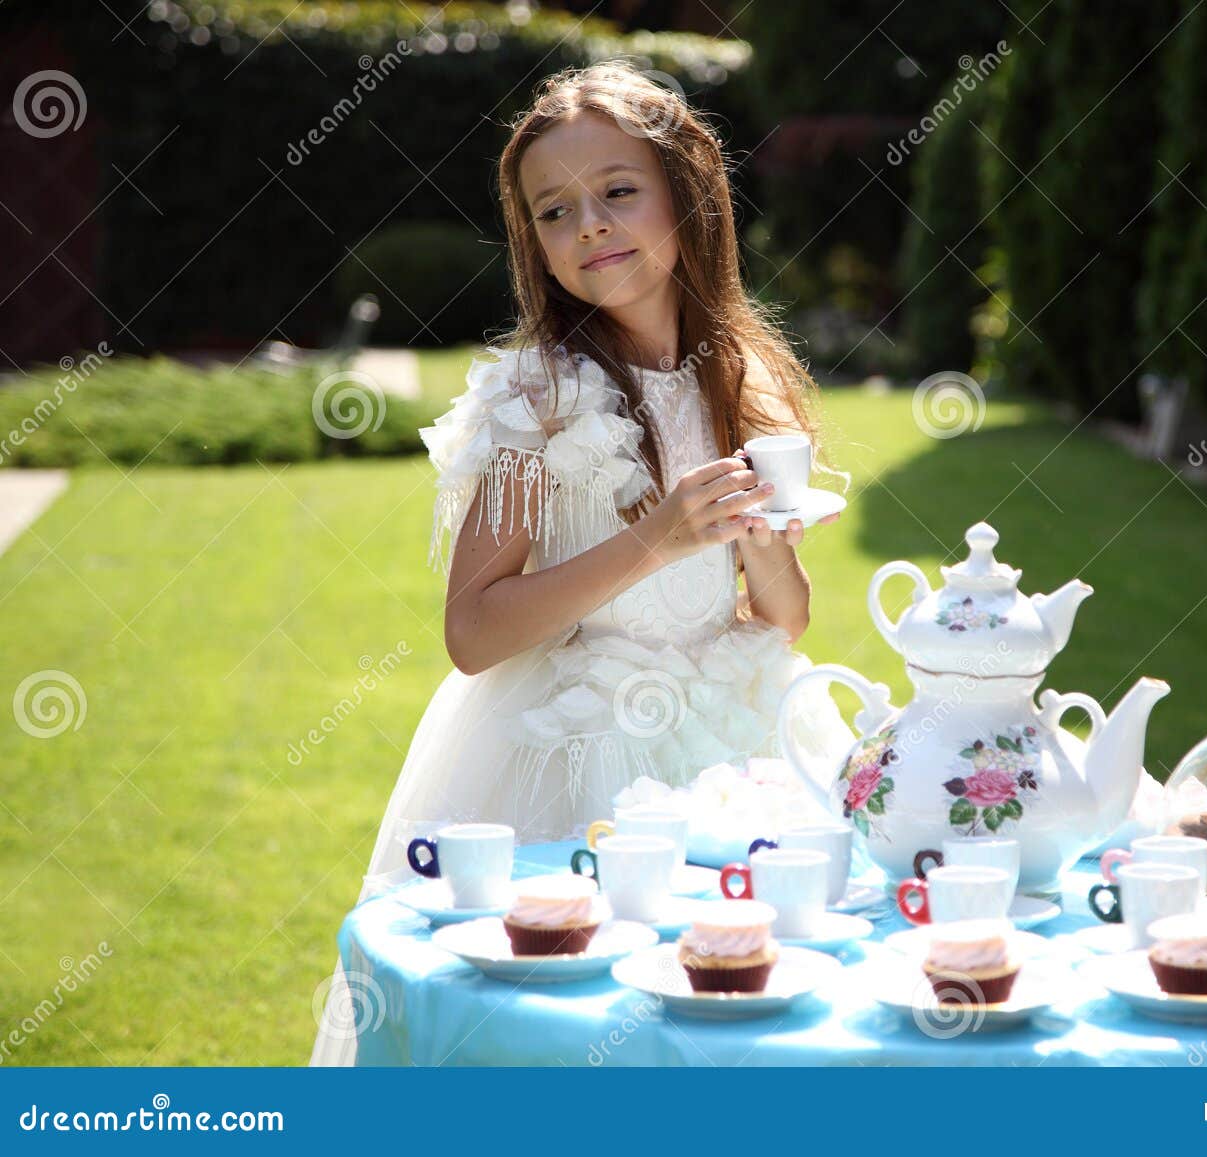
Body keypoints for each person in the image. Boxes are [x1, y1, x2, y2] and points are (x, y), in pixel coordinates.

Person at [310, 62, 854, 1065]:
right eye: (554, 211)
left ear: (686, 195)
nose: (590, 225)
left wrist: (766, 545)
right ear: (535, 243)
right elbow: (473, 632)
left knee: (739, 1009)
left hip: (734, 746)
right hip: (570, 758)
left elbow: (780, 621)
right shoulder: (535, 401)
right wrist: (657, 537)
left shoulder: (747, 379)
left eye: (616, 191)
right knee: (581, 1023)